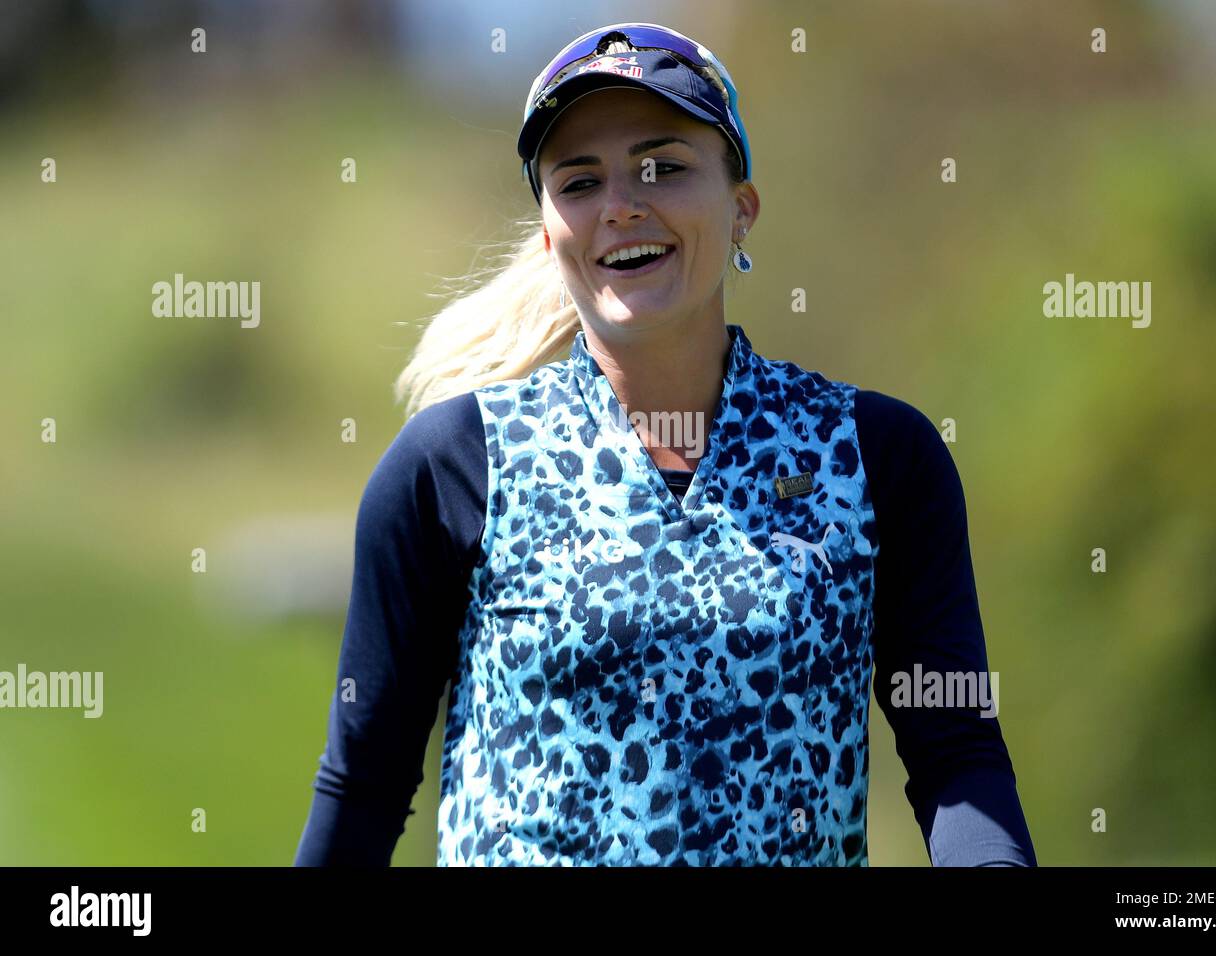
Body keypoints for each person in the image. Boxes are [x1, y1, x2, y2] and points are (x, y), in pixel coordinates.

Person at [293, 22, 1036, 866]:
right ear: (548, 234)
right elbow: (364, 787)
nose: (620, 205)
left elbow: (956, 757)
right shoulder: (453, 463)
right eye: (579, 182)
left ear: (742, 208)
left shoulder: (877, 453)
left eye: (664, 168)